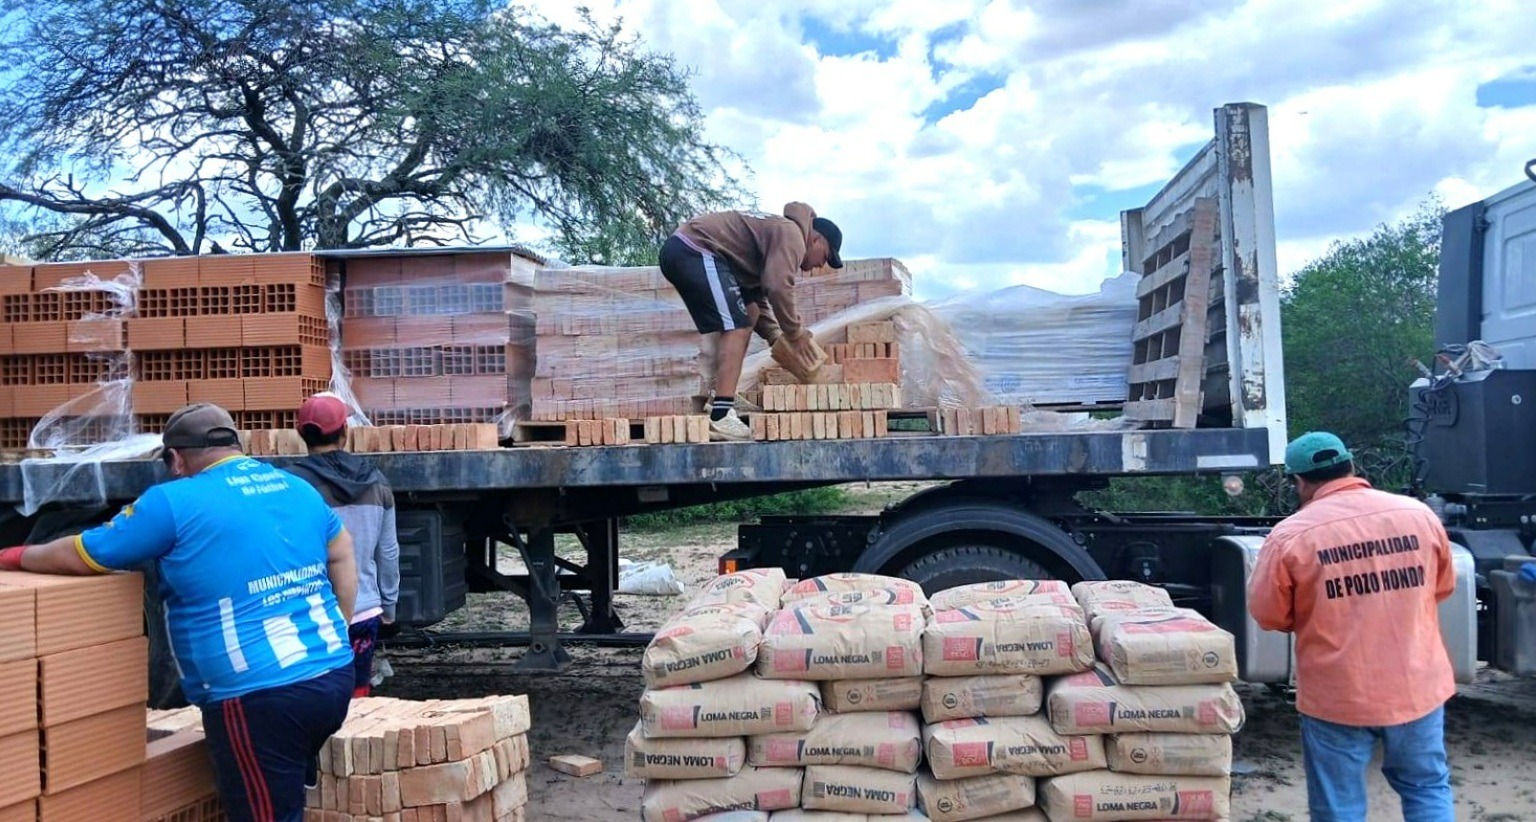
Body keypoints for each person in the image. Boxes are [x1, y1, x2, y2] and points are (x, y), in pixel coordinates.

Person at [0, 403, 357, 822]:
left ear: (176, 458)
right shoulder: (295, 488)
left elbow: (88, 553)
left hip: (261, 698)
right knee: (280, 797)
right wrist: (341, 629)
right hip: (333, 676)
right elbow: (343, 553)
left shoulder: (174, 501)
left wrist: (13, 555)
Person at [1249, 431, 1457, 822]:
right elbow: (1441, 587)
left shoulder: (1291, 535)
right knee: (1426, 787)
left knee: (1339, 807)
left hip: (1338, 694)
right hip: (1418, 687)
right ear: (1351, 466)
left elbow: (1269, 614)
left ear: (1299, 481)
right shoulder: (1418, 515)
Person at [659, 202, 844, 441]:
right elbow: (777, 287)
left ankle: (722, 398)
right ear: (815, 239)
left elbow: (757, 297)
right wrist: (795, 335)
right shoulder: (793, 236)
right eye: (826, 256)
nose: (821, 264)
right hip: (694, 249)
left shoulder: (778, 235)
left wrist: (776, 336)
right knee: (738, 325)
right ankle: (721, 416)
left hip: (693, 252)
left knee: (750, 313)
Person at [287, 392, 400, 697]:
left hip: (311, 616)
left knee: (313, 698)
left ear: (301, 434)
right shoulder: (377, 483)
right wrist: (388, 606)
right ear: (346, 432)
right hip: (363, 613)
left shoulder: (292, 486)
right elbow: (388, 553)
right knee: (357, 698)